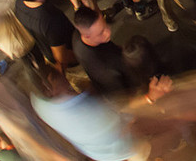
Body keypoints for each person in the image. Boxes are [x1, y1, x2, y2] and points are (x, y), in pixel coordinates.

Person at [31, 63, 159, 161]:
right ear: (50, 90)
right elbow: (122, 120)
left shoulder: (41, 105)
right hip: (123, 147)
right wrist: (149, 99)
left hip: (99, 154)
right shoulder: (85, 109)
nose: (63, 78)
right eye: (57, 78)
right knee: (145, 150)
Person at [11, 0, 78, 71]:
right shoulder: (50, 20)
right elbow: (61, 56)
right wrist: (79, 55)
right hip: (72, 54)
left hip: (47, 53)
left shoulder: (20, 2)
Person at [70, 7, 137, 96]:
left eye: (105, 25)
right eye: (101, 33)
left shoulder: (80, 31)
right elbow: (122, 98)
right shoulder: (102, 67)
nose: (108, 32)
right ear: (87, 36)